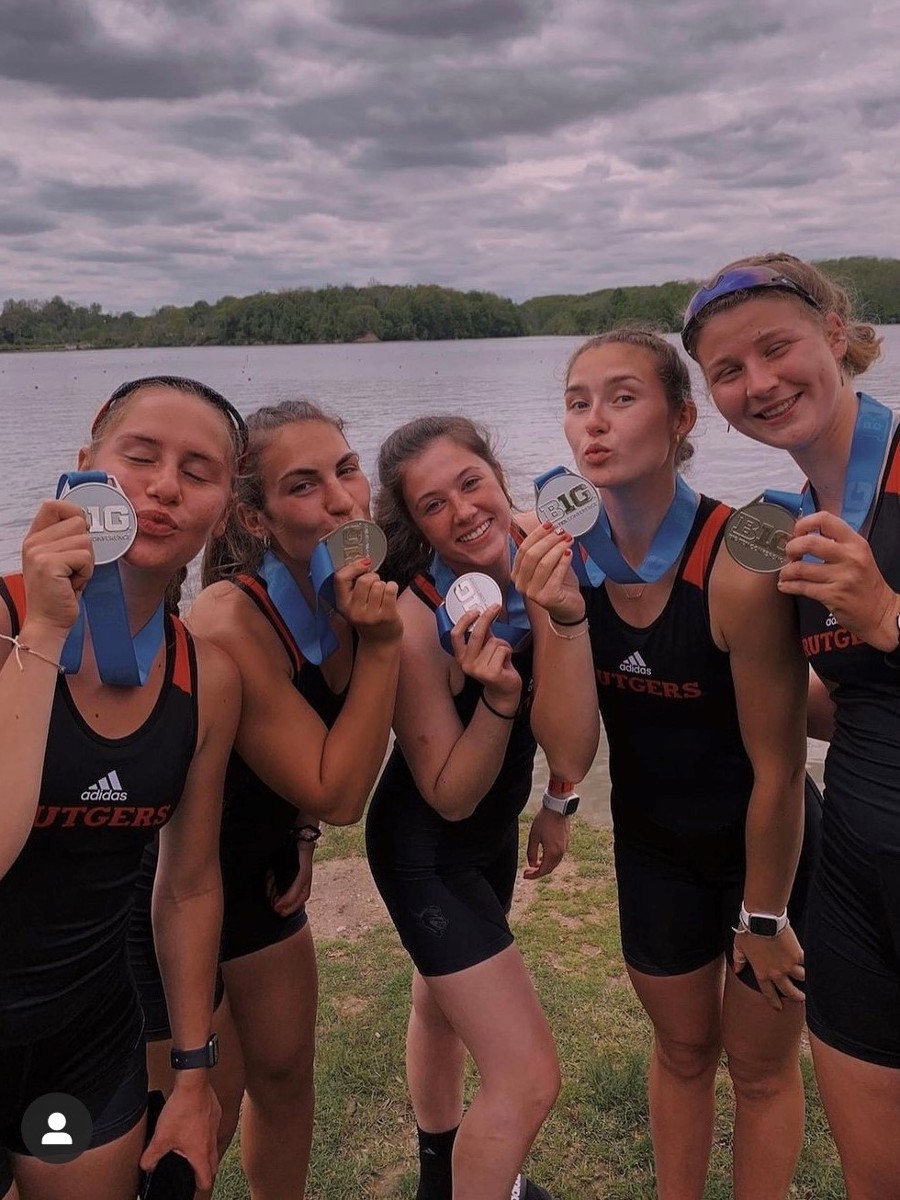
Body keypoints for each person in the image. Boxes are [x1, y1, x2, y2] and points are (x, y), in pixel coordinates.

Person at [513, 329, 819, 1200]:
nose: (594, 424)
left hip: (763, 853)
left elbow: (781, 767)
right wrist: (562, 619)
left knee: (760, 1074)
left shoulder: (740, 559)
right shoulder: (561, 560)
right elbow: (570, 751)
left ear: (682, 418)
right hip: (654, 852)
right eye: (578, 403)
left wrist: (764, 916)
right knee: (683, 1053)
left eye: (622, 398)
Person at [682, 255, 900, 1200]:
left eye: (777, 348)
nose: (759, 383)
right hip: (852, 882)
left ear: (835, 336)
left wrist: (890, 614)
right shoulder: (800, 516)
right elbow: (853, 703)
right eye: (728, 371)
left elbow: (883, 637)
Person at [0, 376, 243, 1200]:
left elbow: (188, 883)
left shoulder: (206, 677)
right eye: (140, 457)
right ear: (86, 470)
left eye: (199, 471)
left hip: (82, 1046)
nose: (165, 485)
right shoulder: (3, 624)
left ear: (224, 507)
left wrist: (191, 1074)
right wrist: (44, 630)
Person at [180, 398, 402, 1200]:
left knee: (285, 1081)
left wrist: (301, 837)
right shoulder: (226, 618)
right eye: (304, 486)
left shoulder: (354, 578)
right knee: (208, 1116)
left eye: (347, 470)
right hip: (182, 895)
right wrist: (381, 646)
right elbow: (340, 789)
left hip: (268, 879)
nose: (342, 500)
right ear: (254, 515)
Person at [366, 415, 583, 1200]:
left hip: (492, 835)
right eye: (432, 505)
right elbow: (450, 794)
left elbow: (571, 717)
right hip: (427, 846)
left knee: (440, 1000)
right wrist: (497, 699)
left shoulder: (542, 549)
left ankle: (438, 1174)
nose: (462, 512)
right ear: (413, 525)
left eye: (469, 483)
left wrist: (559, 801)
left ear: (497, 473)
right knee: (526, 1080)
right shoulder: (416, 617)